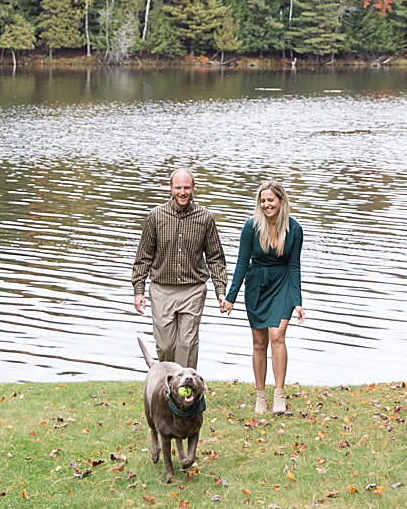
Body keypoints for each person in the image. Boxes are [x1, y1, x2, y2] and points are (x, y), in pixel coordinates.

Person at [219, 180, 306, 415]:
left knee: (277, 335)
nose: (267, 205)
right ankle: (260, 397)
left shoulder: (295, 229)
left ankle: (279, 396)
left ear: (281, 201)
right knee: (259, 343)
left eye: (271, 200)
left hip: (283, 284)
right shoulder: (251, 227)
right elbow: (241, 263)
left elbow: (294, 265)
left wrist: (297, 300)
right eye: (263, 200)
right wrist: (231, 297)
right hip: (257, 285)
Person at [131, 168, 227, 369]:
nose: (182, 192)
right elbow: (143, 257)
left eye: (186, 188)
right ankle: (166, 390)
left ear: (193, 188)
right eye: (178, 188)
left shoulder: (205, 218)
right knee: (166, 346)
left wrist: (221, 290)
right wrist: (138, 290)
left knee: (187, 345)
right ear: (170, 188)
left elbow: (215, 257)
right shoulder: (156, 216)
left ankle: (187, 394)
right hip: (162, 290)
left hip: (193, 290)